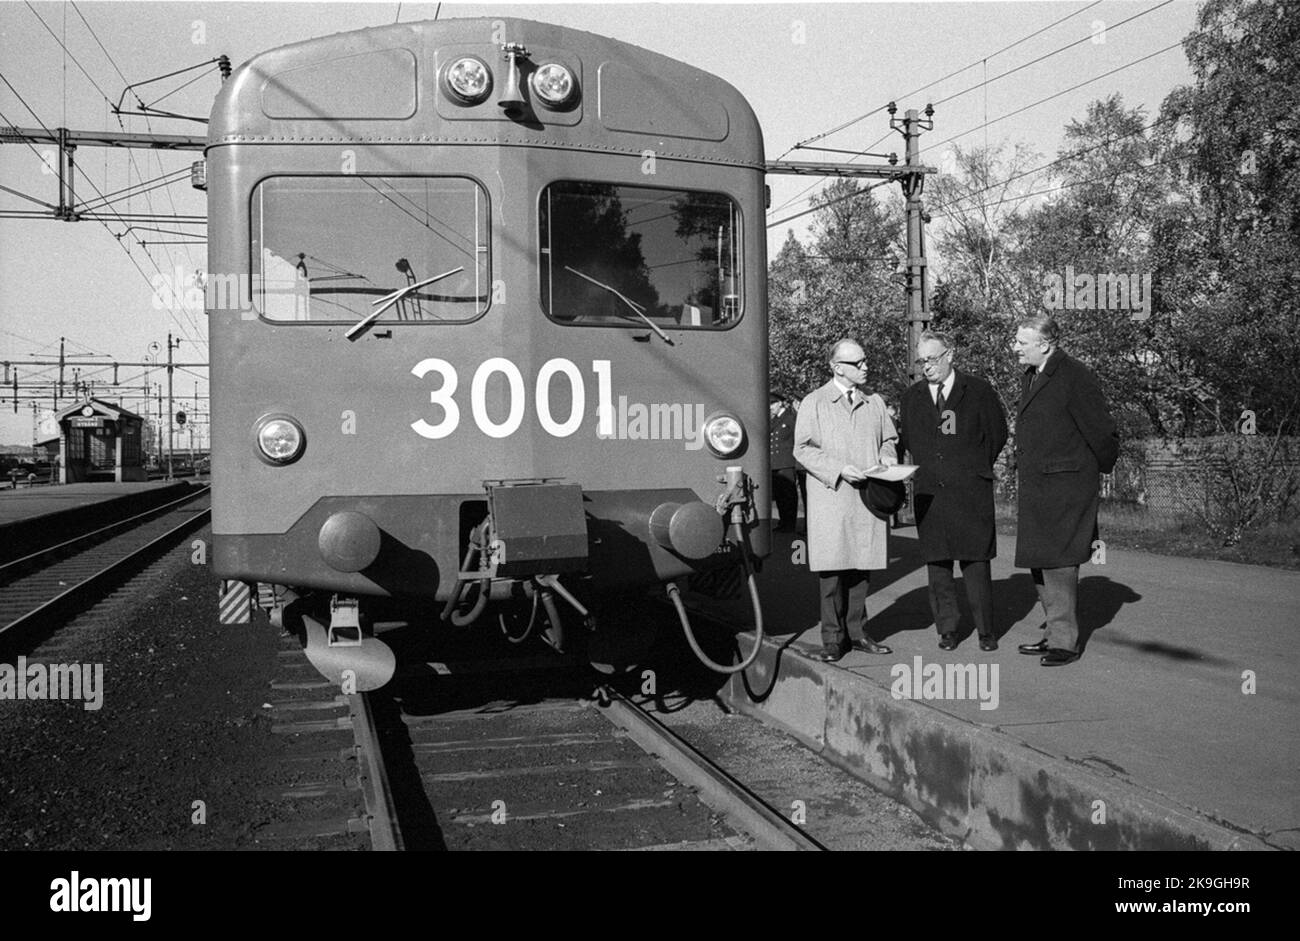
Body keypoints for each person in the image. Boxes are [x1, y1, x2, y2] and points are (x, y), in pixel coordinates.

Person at [1011, 314, 1119, 666]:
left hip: (1066, 487)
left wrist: (1090, 472)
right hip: (1041, 486)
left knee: (1058, 561)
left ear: (1044, 344)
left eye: (1021, 342)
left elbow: (1102, 432)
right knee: (1041, 560)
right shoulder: (1034, 376)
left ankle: (1064, 642)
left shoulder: (1075, 375)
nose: (1015, 348)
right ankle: (1053, 634)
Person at [898, 330, 1008, 652]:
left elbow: (997, 434)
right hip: (930, 493)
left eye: (932, 359)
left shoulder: (978, 391)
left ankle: (986, 631)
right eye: (922, 361)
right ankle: (947, 630)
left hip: (971, 490)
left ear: (950, 355)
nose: (926, 367)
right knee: (938, 565)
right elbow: (909, 441)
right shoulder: (911, 397)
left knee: (976, 563)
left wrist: (971, 467)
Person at [794, 339, 898, 662]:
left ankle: (858, 632)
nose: (866, 367)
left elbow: (890, 439)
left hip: (867, 497)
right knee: (832, 572)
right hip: (833, 496)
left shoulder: (875, 402)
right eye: (858, 363)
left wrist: (887, 457)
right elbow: (802, 449)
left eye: (865, 361)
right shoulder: (815, 402)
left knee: (861, 567)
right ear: (838, 368)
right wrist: (839, 469)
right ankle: (832, 639)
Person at [769, 392, 799, 532]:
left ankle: (790, 523)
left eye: (773, 403)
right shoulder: (773, 420)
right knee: (780, 496)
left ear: (780, 403)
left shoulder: (791, 418)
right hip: (775, 463)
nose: (771, 407)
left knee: (789, 495)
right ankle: (783, 522)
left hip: (787, 462)